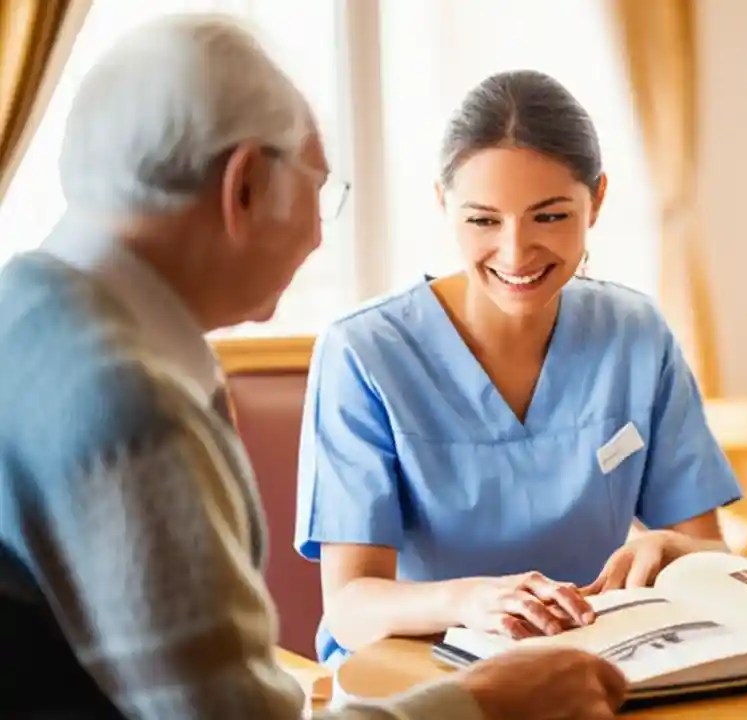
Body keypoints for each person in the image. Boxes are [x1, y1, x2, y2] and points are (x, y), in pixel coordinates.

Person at [0, 14, 624, 720]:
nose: (321, 234)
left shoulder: (23, 314)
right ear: (243, 187)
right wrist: (483, 704)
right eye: (320, 189)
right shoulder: (128, 407)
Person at [295, 69, 743, 668]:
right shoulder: (364, 353)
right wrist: (473, 601)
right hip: (417, 682)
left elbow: (709, 547)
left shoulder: (636, 334)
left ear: (597, 201)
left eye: (551, 217)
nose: (516, 252)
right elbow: (350, 604)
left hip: (598, 671)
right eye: (483, 220)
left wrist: (671, 550)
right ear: (443, 205)